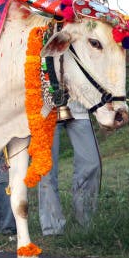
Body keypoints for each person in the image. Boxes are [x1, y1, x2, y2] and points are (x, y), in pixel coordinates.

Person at [38, 99, 102, 236]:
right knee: (46, 169)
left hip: (77, 105)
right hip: (45, 108)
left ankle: (85, 222)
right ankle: (53, 228)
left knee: (92, 163)